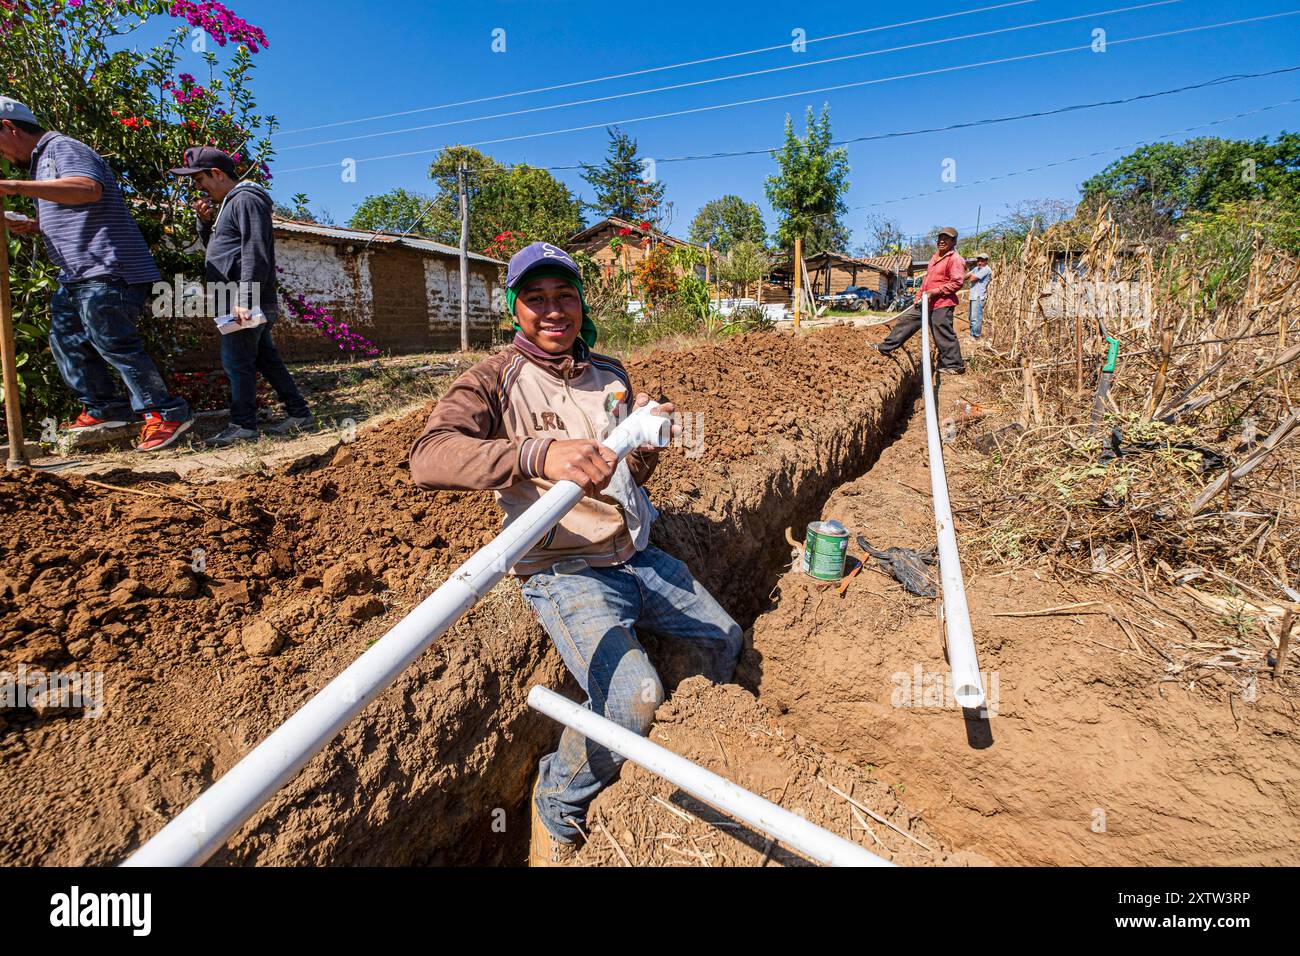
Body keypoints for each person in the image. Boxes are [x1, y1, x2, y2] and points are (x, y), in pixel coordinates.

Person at [408, 241, 743, 867]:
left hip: (637, 553)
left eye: (564, 297)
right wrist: (537, 453)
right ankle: (557, 799)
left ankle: (691, 748)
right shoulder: (491, 379)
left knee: (724, 639)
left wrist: (647, 438)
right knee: (633, 696)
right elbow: (429, 455)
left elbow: (628, 473)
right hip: (563, 570)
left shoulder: (611, 372)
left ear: (580, 302)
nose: (553, 311)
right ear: (515, 309)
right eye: (536, 300)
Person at [0, 97, 192, 451]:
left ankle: (165, 413)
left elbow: (88, 189)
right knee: (66, 339)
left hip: (106, 267)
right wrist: (36, 225)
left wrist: (12, 186)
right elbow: (79, 213)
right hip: (75, 274)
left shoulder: (61, 148)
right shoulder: (40, 162)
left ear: (9, 128)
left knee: (114, 343)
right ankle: (105, 407)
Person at [169, 146, 312, 446]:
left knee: (236, 361)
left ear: (217, 173)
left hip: (245, 299)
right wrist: (204, 223)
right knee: (264, 358)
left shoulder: (246, 199)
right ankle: (299, 413)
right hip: (240, 298)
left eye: (199, 179)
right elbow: (220, 250)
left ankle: (243, 426)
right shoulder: (228, 207)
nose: (198, 188)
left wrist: (245, 299)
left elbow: (255, 251)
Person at [876, 226, 967, 373]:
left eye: (946, 239)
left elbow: (957, 282)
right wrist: (918, 295)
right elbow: (926, 280)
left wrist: (935, 292)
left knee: (942, 332)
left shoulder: (955, 259)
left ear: (954, 242)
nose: (942, 241)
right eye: (940, 238)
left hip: (942, 304)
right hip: (925, 301)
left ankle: (954, 365)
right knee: (907, 320)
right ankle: (885, 348)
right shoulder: (934, 257)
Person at [966, 252, 993, 341]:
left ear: (986, 261)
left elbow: (972, 278)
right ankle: (972, 334)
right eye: (978, 261)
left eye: (982, 261)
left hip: (978, 296)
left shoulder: (986, 269)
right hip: (973, 296)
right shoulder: (977, 269)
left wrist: (970, 276)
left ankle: (976, 336)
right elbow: (966, 276)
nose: (979, 263)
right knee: (971, 316)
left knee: (976, 317)